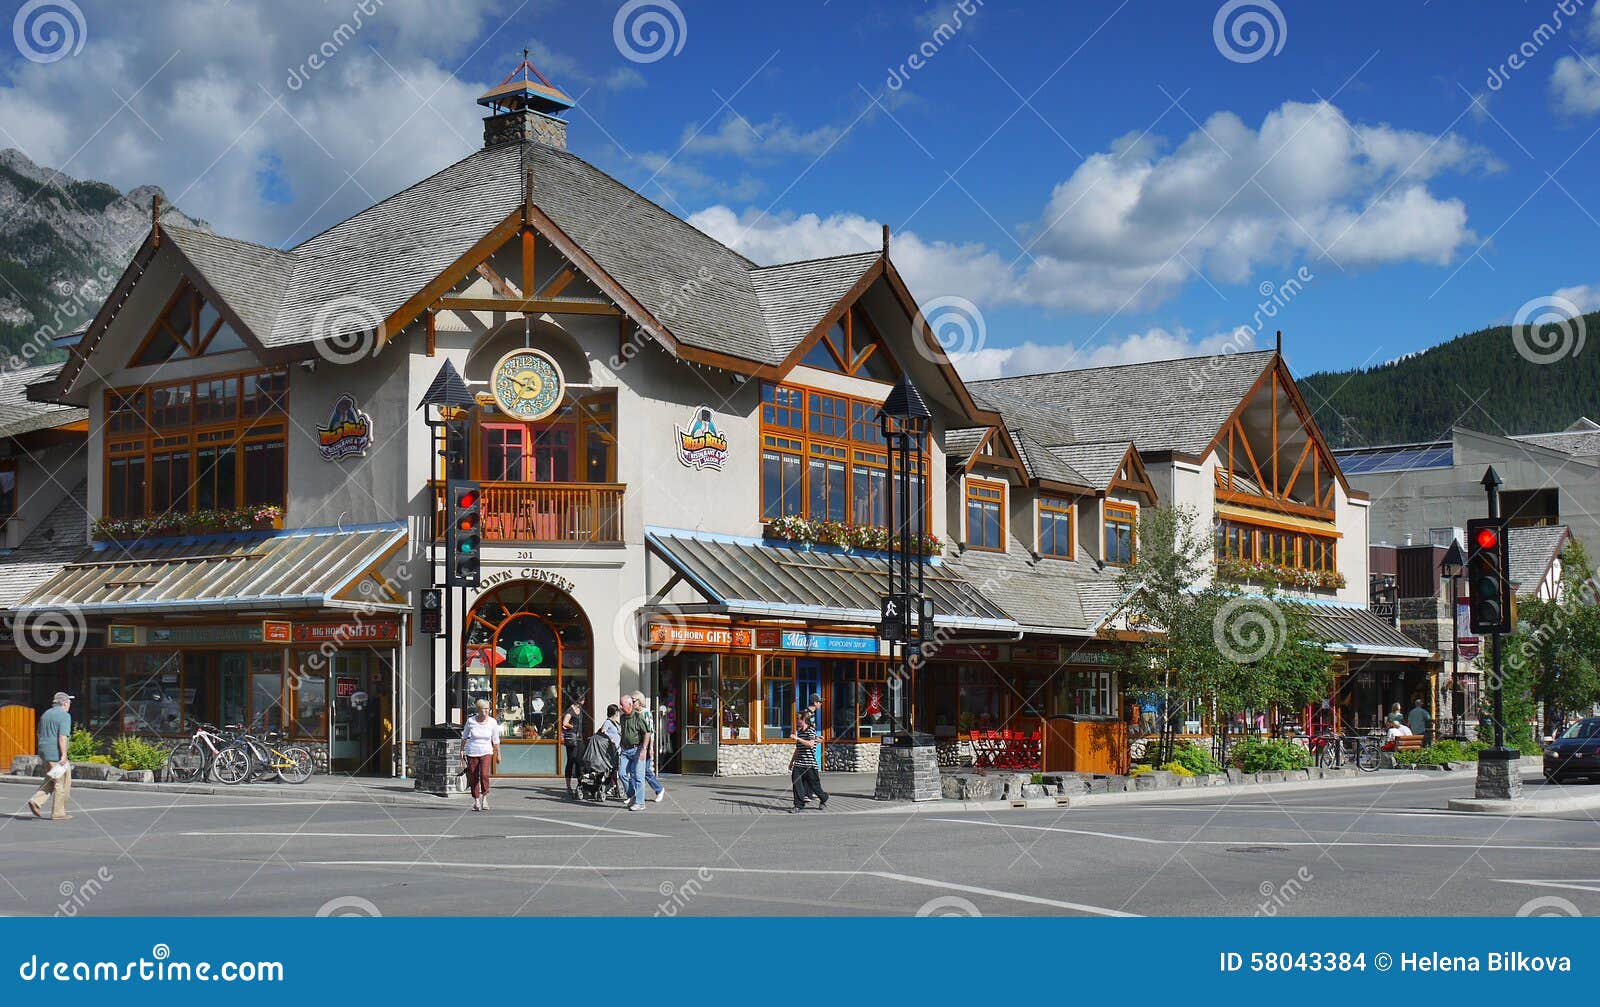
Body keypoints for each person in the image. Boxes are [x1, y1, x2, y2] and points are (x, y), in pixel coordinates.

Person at [28, 692, 73, 821]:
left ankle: (36, 801)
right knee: (62, 782)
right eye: (69, 703)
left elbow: (38, 733)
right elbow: (62, 737)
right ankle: (59, 813)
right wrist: (64, 755)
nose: (69, 705)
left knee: (50, 779)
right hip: (56, 753)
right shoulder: (65, 715)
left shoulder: (46, 714)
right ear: (64, 703)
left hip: (44, 751)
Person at [628, 690, 667, 808]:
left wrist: (651, 747)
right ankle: (635, 795)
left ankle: (659, 789)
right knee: (635, 770)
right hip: (636, 744)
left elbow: (651, 731)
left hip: (646, 744)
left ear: (639, 701)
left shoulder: (646, 713)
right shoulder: (633, 713)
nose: (631, 703)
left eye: (633, 701)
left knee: (644, 770)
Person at [462, 699, 501, 812]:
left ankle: (485, 798)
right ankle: (476, 801)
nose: (486, 711)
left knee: (484, 774)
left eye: (487, 709)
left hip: (486, 751)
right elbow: (464, 737)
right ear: (478, 710)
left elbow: (495, 739)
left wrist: (498, 753)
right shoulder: (471, 721)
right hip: (472, 752)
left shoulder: (492, 722)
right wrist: (461, 750)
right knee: (474, 776)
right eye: (484, 709)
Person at [790, 711, 827, 813]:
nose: (796, 721)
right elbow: (798, 749)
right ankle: (798, 805)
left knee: (815, 787)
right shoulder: (800, 731)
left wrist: (797, 738)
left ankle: (823, 798)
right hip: (798, 764)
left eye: (798, 719)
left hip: (810, 765)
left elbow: (810, 744)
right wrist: (791, 762)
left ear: (803, 720)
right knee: (796, 784)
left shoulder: (810, 730)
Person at [560, 700, 586, 797]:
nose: (584, 701)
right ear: (579, 700)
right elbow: (565, 723)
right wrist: (572, 726)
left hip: (579, 739)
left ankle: (580, 784)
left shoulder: (580, 709)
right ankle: (568, 786)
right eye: (583, 699)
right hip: (572, 739)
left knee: (580, 761)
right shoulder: (570, 710)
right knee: (571, 760)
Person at [598, 704, 624, 800]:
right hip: (611, 750)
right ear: (614, 712)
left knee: (615, 769)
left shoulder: (616, 723)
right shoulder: (608, 722)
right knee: (612, 769)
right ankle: (611, 785)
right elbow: (603, 732)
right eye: (617, 712)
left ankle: (612, 786)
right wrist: (610, 738)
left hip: (618, 750)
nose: (618, 713)